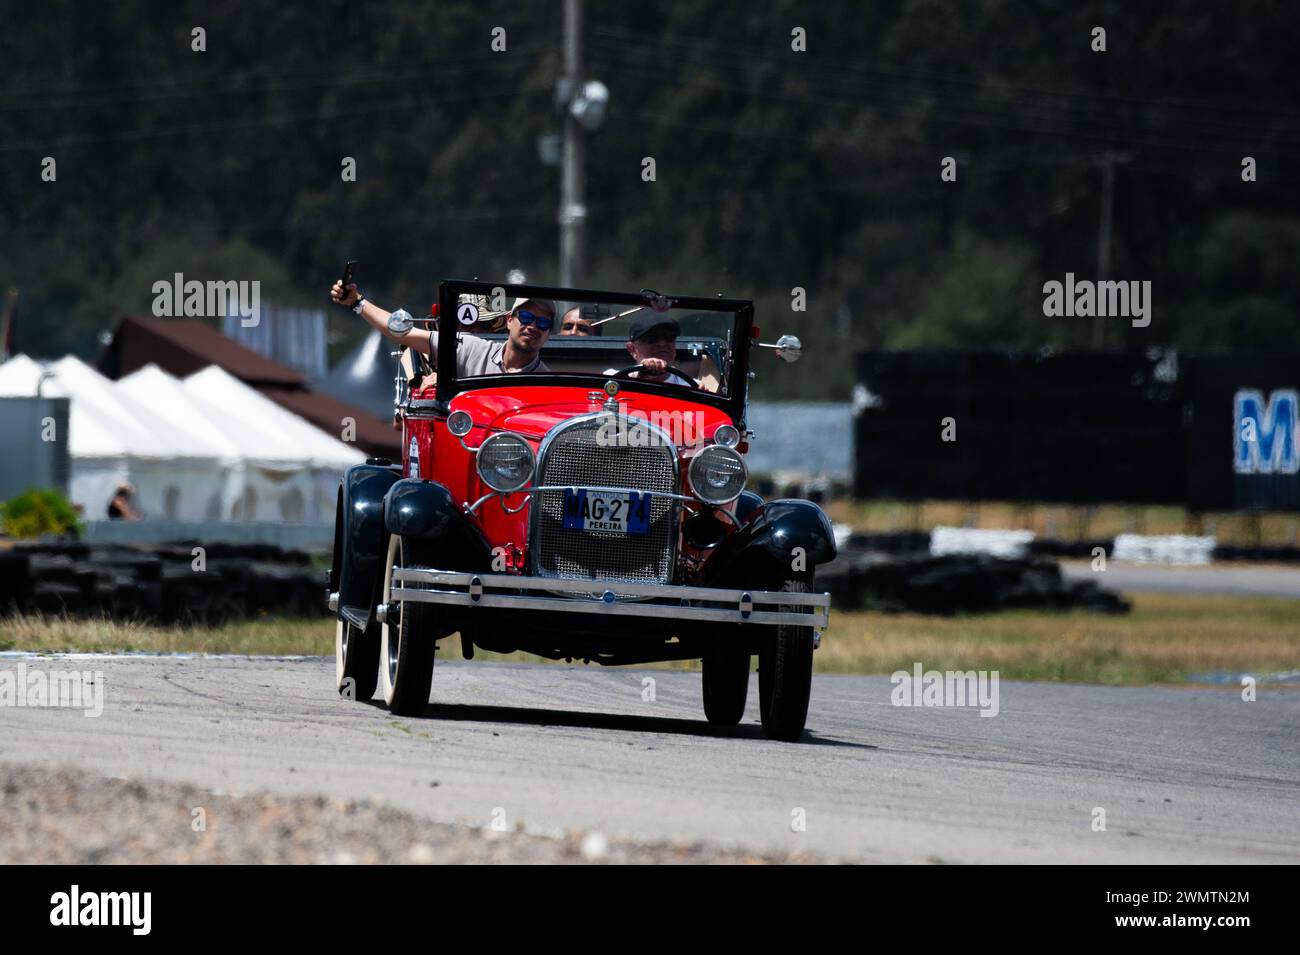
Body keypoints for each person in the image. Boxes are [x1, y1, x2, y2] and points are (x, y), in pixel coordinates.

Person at [330, 279, 554, 375]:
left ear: (548, 334)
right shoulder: (472, 349)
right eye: (525, 317)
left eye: (543, 323)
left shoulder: (547, 385)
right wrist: (358, 302)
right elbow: (401, 332)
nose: (533, 326)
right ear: (509, 321)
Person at [607, 315, 698, 387]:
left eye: (669, 337)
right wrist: (641, 374)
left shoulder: (692, 387)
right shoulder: (612, 380)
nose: (662, 344)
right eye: (652, 339)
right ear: (632, 349)